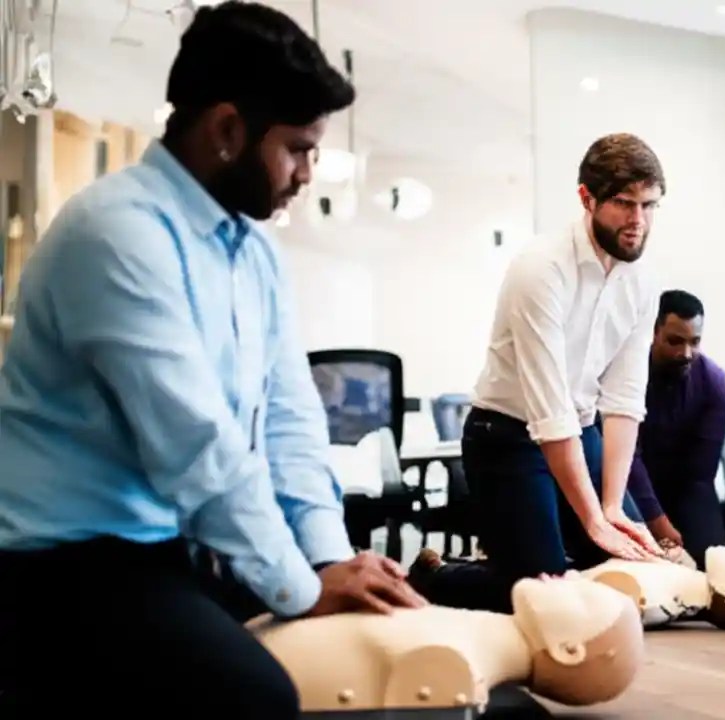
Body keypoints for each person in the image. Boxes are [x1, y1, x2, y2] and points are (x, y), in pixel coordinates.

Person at [0, 4, 424, 717]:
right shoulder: (116, 234)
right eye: (296, 148)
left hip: (178, 546)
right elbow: (198, 448)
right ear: (227, 130)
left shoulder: (253, 251)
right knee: (255, 696)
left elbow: (290, 419)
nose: (306, 173)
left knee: (388, 638)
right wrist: (305, 588)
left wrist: (326, 556)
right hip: (64, 563)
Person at [412, 133, 666, 613]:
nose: (639, 221)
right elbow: (550, 415)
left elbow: (625, 400)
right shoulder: (540, 269)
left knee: (638, 582)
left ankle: (525, 556)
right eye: (624, 204)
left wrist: (610, 507)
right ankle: (435, 578)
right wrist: (591, 521)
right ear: (586, 199)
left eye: (650, 206)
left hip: (582, 432)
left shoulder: (643, 278)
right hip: (507, 438)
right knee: (552, 595)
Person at [627, 289, 725, 569]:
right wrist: (656, 522)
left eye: (694, 342)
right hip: (628, 484)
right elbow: (626, 457)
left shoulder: (714, 383)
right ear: (654, 332)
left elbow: (700, 474)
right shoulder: (627, 374)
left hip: (686, 486)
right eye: (675, 341)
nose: (686, 353)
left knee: (711, 564)